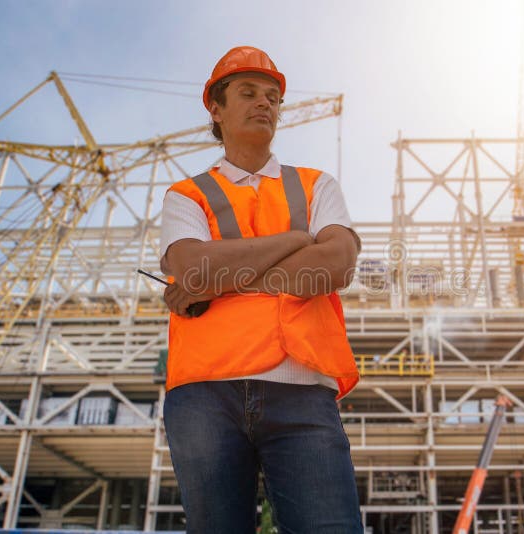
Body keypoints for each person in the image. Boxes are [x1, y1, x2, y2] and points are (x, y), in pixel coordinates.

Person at [158, 46, 363, 533]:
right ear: (216, 109)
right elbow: (193, 270)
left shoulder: (316, 185)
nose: (264, 103)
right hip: (205, 391)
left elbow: (335, 265)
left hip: (301, 385)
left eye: (272, 96)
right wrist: (296, 241)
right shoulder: (186, 195)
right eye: (248, 93)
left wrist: (220, 278)